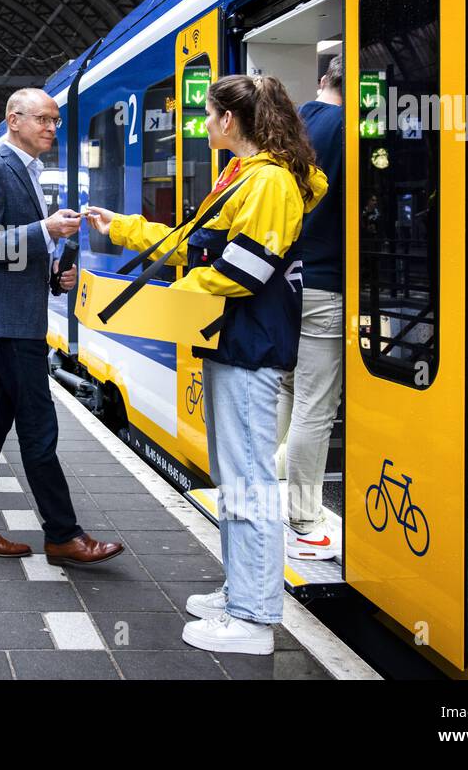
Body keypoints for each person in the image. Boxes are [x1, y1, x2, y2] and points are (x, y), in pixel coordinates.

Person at [88, 74, 327, 655]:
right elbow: (192, 242)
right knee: (236, 476)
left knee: (249, 481)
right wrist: (119, 227)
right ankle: (240, 590)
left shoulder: (268, 182)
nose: (203, 122)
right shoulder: (242, 177)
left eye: (209, 114)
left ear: (231, 121)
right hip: (230, 343)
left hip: (250, 346)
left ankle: (254, 617)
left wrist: (165, 301)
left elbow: (244, 272)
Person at [0, 88, 124, 568]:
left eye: (55, 120)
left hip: (19, 315)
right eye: (44, 119)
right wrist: (46, 231)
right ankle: (63, 534)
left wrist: (53, 273)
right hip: (8, 322)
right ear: (14, 119)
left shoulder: (23, 168)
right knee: (39, 428)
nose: (52, 127)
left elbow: (8, 251)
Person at [277, 56, 344, 561]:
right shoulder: (353, 131)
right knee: (315, 409)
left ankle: (271, 494)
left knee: (287, 389)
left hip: (288, 283)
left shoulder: (294, 122)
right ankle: (304, 518)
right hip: (326, 285)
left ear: (322, 81)